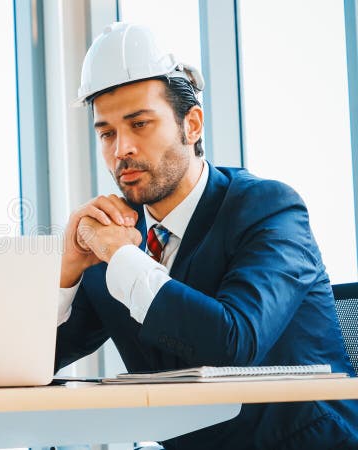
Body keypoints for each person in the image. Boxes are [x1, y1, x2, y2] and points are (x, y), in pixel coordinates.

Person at [55, 22, 358, 449]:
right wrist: (66, 274)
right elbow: (34, 361)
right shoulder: (116, 238)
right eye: (106, 133)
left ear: (192, 124)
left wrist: (123, 258)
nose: (120, 149)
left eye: (139, 124)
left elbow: (232, 345)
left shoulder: (270, 209)